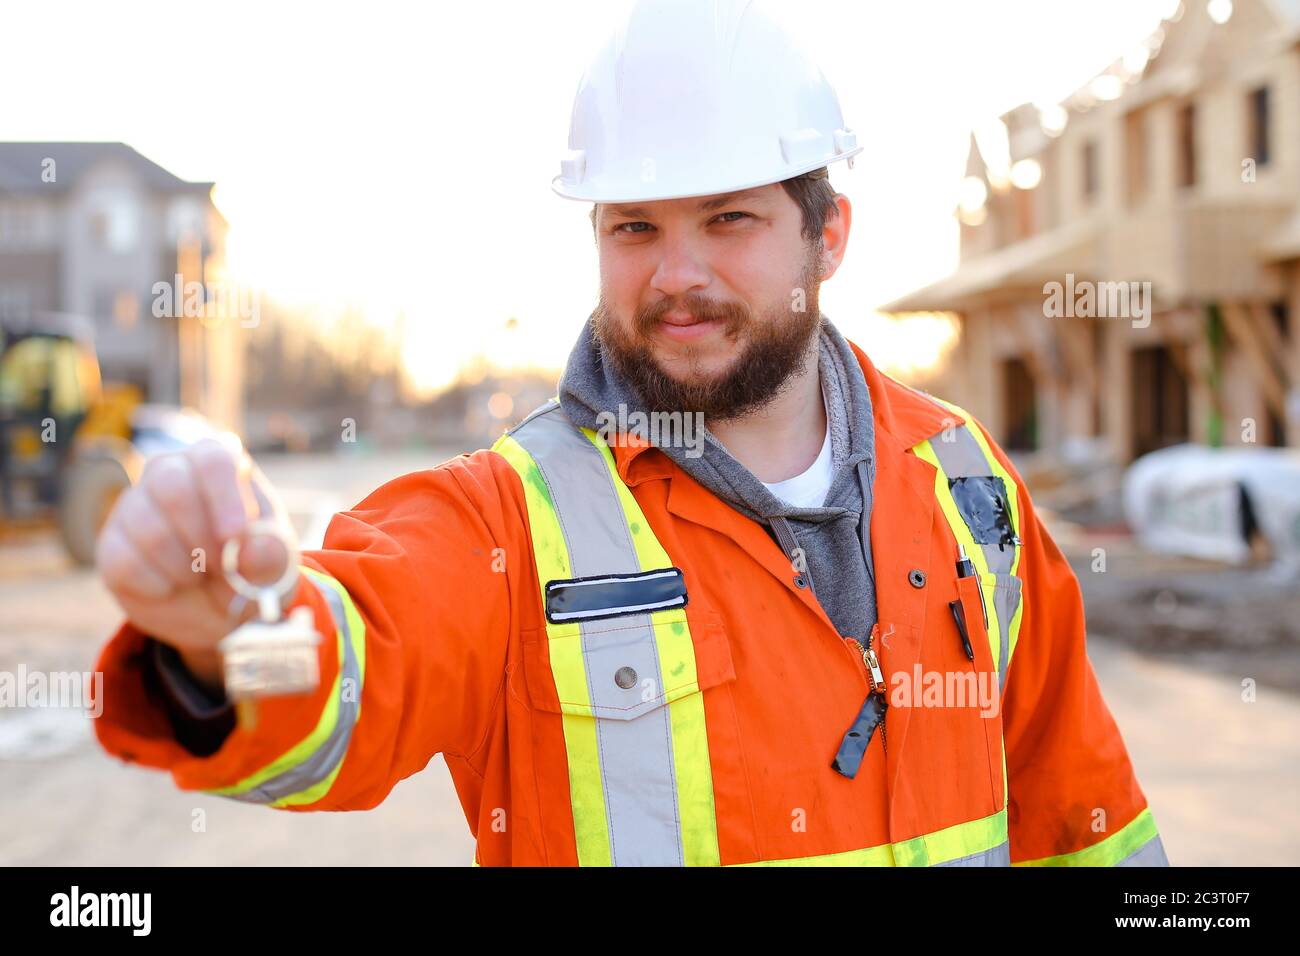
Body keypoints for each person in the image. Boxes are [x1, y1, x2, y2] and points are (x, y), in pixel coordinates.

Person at [92, 0, 1167, 867]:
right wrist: (227, 641)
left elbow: (1084, 810)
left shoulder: (965, 485)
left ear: (827, 234)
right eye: (635, 227)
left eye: (728, 219)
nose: (677, 274)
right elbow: (361, 654)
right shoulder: (510, 518)